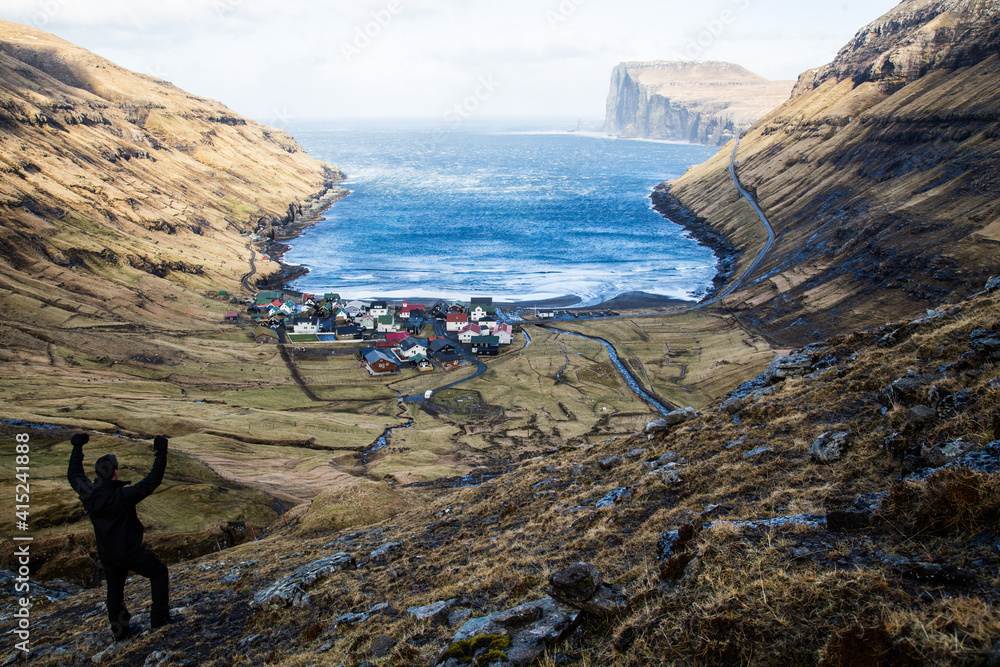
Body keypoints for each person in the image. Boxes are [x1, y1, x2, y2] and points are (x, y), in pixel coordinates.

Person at [67, 432, 180, 641]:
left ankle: (121, 632)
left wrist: (77, 447)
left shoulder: (88, 494)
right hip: (128, 550)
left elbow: (74, 474)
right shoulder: (122, 496)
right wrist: (161, 452)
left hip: (107, 552)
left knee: (115, 590)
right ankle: (159, 619)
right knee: (159, 573)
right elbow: (151, 482)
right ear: (116, 472)